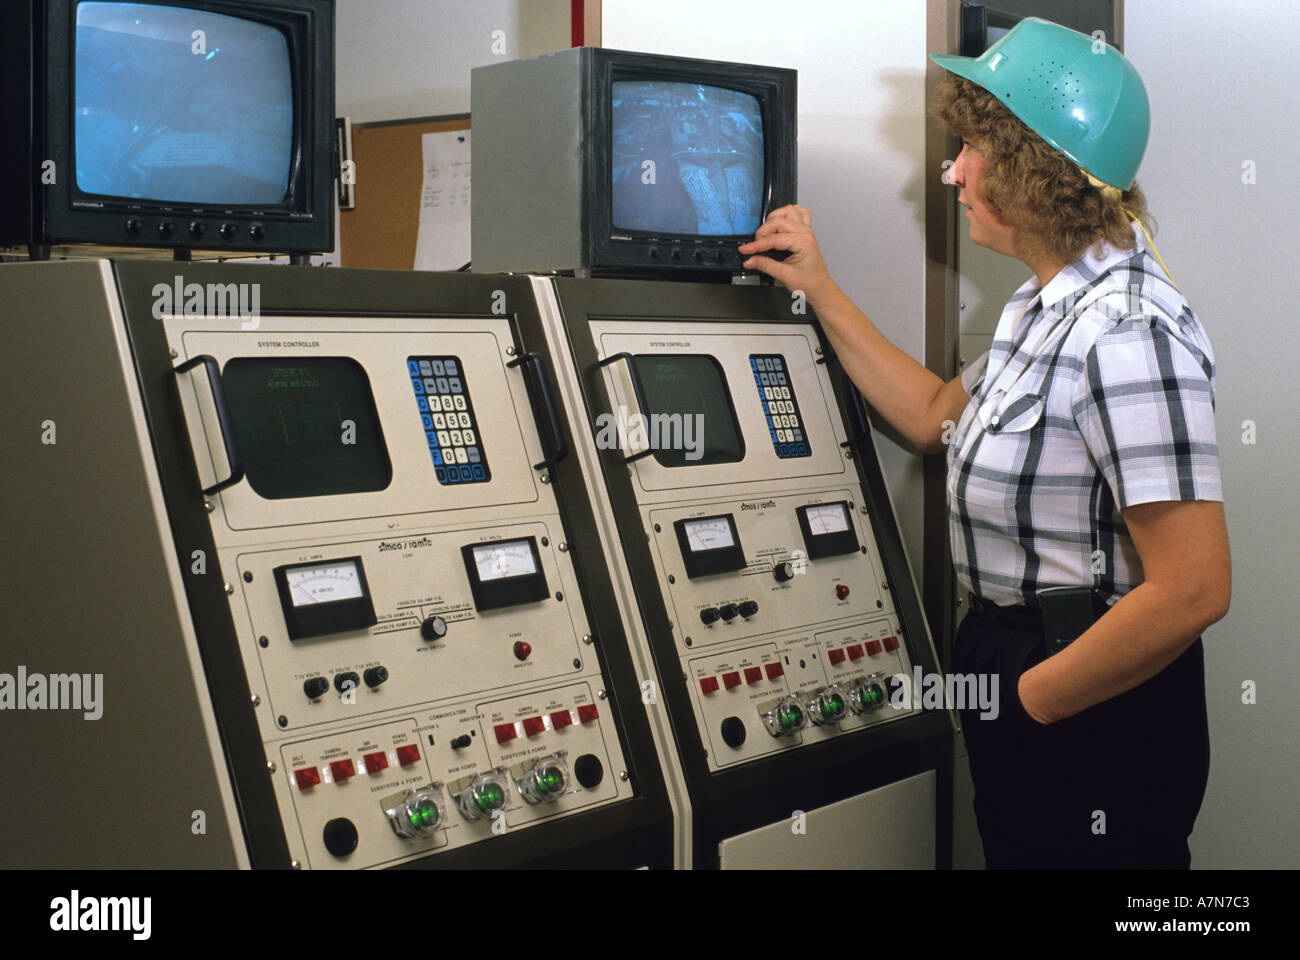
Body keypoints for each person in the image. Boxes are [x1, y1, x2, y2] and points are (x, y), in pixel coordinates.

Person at [738, 17, 1230, 869]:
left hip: (1088, 692)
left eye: (971, 147)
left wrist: (1031, 701)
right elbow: (932, 414)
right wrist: (819, 287)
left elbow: (1193, 591)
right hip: (1024, 661)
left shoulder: (1125, 329)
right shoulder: (1043, 308)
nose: (953, 171)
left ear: (1032, 169)